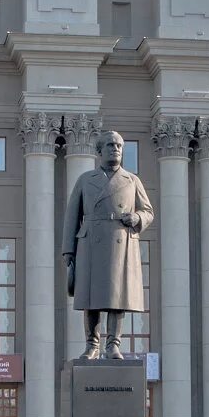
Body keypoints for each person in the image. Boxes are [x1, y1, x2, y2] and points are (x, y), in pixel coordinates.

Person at [62, 130, 155, 360]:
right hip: (90, 244)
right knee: (91, 299)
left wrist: (137, 218)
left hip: (120, 242)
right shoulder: (85, 179)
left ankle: (113, 344)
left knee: (117, 296)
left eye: (119, 146)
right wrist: (68, 250)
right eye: (111, 145)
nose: (116, 149)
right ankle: (92, 345)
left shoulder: (132, 180)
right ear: (99, 151)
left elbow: (148, 211)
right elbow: (72, 215)